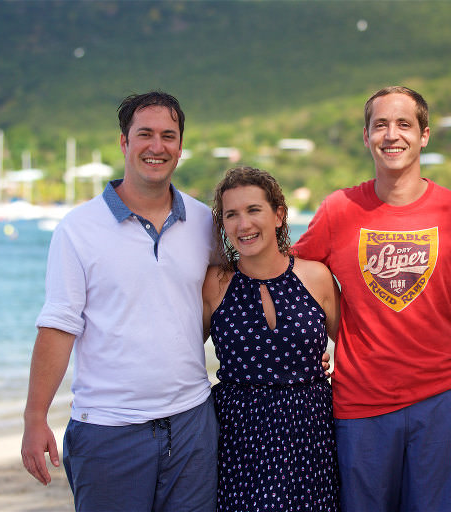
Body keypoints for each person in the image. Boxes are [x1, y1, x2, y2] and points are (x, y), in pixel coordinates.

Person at [292, 86, 451, 512]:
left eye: (404, 124)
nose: (391, 135)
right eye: (380, 125)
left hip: (441, 402)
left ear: (424, 135)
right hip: (359, 407)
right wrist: (309, 348)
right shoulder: (338, 210)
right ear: (366, 136)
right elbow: (287, 277)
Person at [21, 91, 222, 511]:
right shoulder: (77, 229)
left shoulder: (205, 222)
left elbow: (234, 292)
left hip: (192, 424)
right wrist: (35, 417)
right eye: (144, 134)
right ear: (124, 143)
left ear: (180, 147)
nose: (157, 146)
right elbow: (59, 326)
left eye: (168, 136)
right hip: (109, 431)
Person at [202, 166, 341, 512]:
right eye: (231, 215)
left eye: (253, 210)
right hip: (239, 435)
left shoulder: (317, 277)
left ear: (278, 215)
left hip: (310, 433)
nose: (243, 225)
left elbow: (356, 349)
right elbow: (178, 351)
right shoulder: (215, 284)